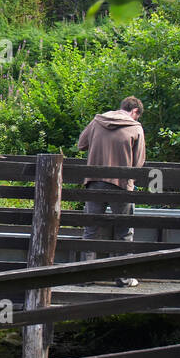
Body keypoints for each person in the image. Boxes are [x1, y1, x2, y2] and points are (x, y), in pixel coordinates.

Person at [78, 96, 146, 286]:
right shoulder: (135, 127)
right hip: (121, 185)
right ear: (135, 112)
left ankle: (84, 277)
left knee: (90, 230)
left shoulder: (97, 121)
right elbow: (138, 163)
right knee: (124, 231)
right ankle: (123, 277)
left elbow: (81, 144)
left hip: (93, 181)